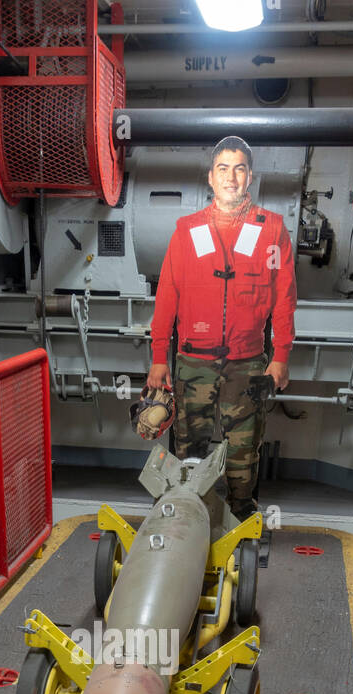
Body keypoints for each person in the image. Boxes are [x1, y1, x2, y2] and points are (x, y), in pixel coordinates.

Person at [147, 136, 297, 520]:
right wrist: (158, 357)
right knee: (188, 454)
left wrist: (280, 357)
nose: (231, 177)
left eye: (240, 169)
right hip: (192, 363)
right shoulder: (186, 231)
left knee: (244, 455)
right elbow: (167, 296)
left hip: (247, 366)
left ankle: (242, 529)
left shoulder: (273, 230)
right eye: (223, 169)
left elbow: (284, 298)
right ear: (211, 178)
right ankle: (188, 525)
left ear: (251, 177)